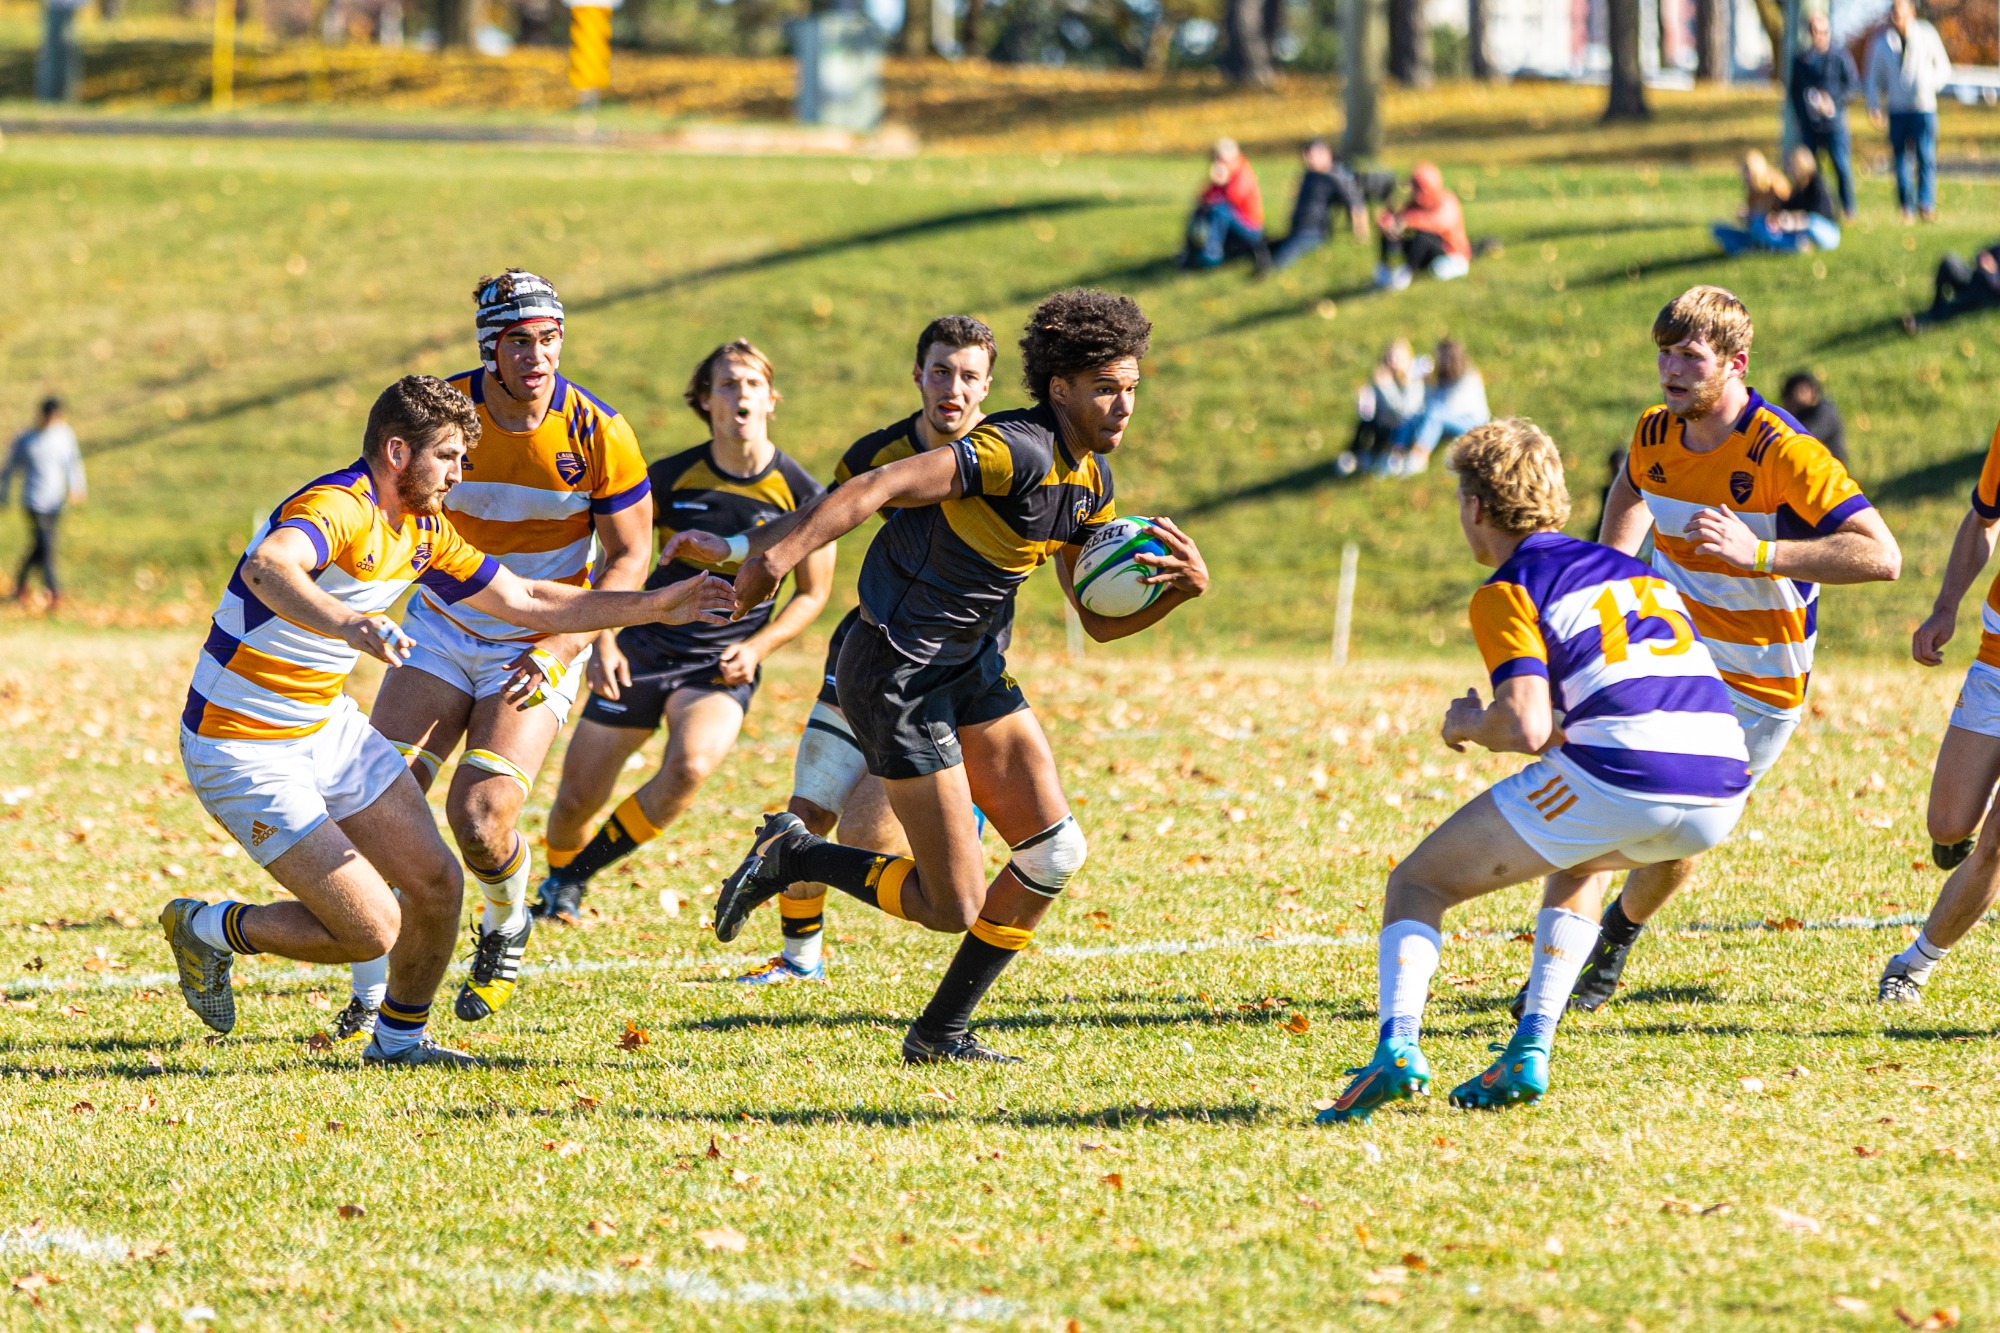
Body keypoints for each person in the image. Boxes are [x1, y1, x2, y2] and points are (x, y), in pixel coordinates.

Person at [159, 375, 732, 1064]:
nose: (461, 475)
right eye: (450, 457)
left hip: (323, 727)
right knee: (372, 928)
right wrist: (351, 624)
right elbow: (268, 568)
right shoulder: (338, 505)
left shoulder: (426, 531)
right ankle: (210, 928)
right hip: (240, 745)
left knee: (437, 883)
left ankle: (398, 1041)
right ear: (397, 452)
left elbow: (528, 601)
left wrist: (658, 605)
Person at [710, 289, 1210, 1065]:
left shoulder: (1091, 483)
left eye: (1132, 388)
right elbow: (870, 488)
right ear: (1061, 389)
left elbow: (1098, 620)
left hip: (972, 665)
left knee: (1053, 853)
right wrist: (774, 555)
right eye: (1106, 387)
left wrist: (1179, 591)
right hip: (897, 674)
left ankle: (938, 1033)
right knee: (952, 905)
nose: (1123, 405)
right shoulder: (1017, 450)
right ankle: (797, 855)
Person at [1319, 418, 1751, 1122]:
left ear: (1474, 508)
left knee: (1417, 882)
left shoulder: (1507, 587)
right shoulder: (1638, 573)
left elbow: (1527, 724)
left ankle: (1396, 1049)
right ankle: (1529, 1048)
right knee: (1580, 852)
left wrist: (1465, 722)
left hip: (1628, 774)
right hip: (1722, 787)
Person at [1515, 286, 1900, 1017]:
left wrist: (1761, 553)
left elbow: (1883, 556)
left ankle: (1617, 935)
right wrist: (1612, 577)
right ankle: (1554, 978)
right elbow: (1632, 485)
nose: (1671, 369)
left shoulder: (1782, 450)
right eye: (1664, 353)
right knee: (1608, 796)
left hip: (1761, 687)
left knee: (1672, 832)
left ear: (1736, 363)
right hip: (1671, 657)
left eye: (1690, 356)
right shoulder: (1655, 433)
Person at [343, 271, 654, 1044]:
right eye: (520, 341)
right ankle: (368, 988)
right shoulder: (447, 414)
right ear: (491, 347)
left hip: (539, 636)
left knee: (479, 819)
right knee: (378, 806)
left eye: (550, 339)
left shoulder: (599, 431)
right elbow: (385, 504)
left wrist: (565, 643)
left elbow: (630, 557)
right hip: (444, 626)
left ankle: (508, 916)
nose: (539, 356)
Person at [733, 315, 998, 986]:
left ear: (987, 386)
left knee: (866, 838)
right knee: (802, 813)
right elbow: (821, 516)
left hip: (945, 679)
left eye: (969, 376)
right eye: (941, 371)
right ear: (918, 375)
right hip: (867, 652)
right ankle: (799, 962)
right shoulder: (880, 453)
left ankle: (966, 808)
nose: (953, 388)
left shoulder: (1008, 460)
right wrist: (738, 550)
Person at [533, 340, 834, 922]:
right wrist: (604, 641)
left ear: (771, 398)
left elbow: (813, 593)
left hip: (720, 663)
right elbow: (615, 562)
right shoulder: (667, 478)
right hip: (641, 648)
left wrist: (757, 644)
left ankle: (572, 879)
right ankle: (558, 874)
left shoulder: (802, 493)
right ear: (704, 400)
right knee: (574, 800)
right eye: (726, 383)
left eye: (751, 383)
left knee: (691, 765)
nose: (740, 393)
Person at [1884, 415, 2000, 1002]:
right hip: (1998, 659)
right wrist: (1945, 605)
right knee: (1949, 825)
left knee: (1996, 844)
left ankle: (1913, 963)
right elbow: (1984, 518)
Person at [1866, 0, 1953, 224]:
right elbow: (1873, 79)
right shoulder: (1882, 43)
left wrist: (1928, 84)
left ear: (1912, 13)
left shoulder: (1927, 34)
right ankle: (1907, 206)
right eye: (1894, 13)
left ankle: (1926, 203)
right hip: (1897, 109)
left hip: (1923, 107)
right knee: (1901, 160)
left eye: (1901, 13)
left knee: (1925, 156)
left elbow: (1943, 68)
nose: (1898, 18)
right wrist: (1874, 105)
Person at [2, 397, 84, 610]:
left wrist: (77, 486)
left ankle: (20, 585)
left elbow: (73, 463)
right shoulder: (27, 439)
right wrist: (3, 493)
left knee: (41, 546)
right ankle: (54, 592)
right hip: (33, 501)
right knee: (46, 546)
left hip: (55, 501)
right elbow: (10, 469)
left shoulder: (65, 436)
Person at [1267, 140, 1391, 271]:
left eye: (1312, 154)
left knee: (1275, 263)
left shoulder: (1336, 176)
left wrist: (1361, 236)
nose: (1307, 159)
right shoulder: (1310, 174)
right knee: (1264, 250)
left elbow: (1356, 205)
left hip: (1311, 232)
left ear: (1327, 154)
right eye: (1306, 154)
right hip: (1297, 229)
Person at [1790, 10, 1862, 218]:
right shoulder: (1802, 60)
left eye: (1823, 31)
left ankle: (1848, 209)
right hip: (1810, 126)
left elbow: (1852, 87)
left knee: (1841, 166)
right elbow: (1794, 93)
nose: (1820, 35)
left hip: (1834, 124)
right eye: (1815, 31)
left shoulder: (1840, 58)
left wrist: (1833, 103)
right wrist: (1802, 116)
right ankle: (1815, 208)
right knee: (1809, 171)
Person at [1386, 338, 1489, 475]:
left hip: (1472, 423)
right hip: (1444, 417)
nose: (1437, 362)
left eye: (1440, 358)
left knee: (1435, 414)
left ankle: (1418, 457)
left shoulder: (1469, 377)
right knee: (1415, 416)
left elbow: (1449, 408)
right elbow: (1429, 404)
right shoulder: (1443, 379)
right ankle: (1396, 453)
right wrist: (1427, 384)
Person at [1710, 148, 1840, 254]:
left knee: (1809, 222)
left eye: (1792, 166)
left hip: (1824, 231)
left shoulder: (1815, 185)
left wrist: (1787, 219)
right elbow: (1785, 212)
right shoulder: (1796, 189)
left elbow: (1816, 215)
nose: (1789, 170)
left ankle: (1775, 246)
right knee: (1721, 228)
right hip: (1795, 231)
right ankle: (1755, 246)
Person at [1373, 162, 1470, 291]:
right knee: (1391, 233)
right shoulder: (1414, 204)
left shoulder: (1447, 201)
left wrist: (1407, 221)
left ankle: (1404, 275)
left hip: (1449, 254)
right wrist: (1390, 218)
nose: (1413, 192)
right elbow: (1389, 220)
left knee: (1423, 236)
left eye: (1417, 188)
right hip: (1426, 255)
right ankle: (1384, 271)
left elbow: (1438, 223)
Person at [1337, 339, 1427, 476]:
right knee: (1365, 422)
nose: (1394, 361)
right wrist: (1364, 400)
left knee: (1399, 425)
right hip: (1384, 423)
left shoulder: (1413, 379)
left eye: (1398, 357)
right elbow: (1372, 407)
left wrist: (1387, 388)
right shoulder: (1382, 376)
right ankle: (1354, 455)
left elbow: (1403, 411)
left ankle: (1385, 456)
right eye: (1391, 357)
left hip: (1403, 427)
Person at [1181, 138, 1267, 271]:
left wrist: (1222, 182)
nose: (1217, 161)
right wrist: (1214, 184)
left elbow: (1233, 198)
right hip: (1232, 219)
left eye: (1220, 158)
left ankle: (1211, 254)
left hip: (1249, 225)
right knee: (1200, 212)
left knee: (1219, 209)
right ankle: (1190, 251)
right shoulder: (1224, 171)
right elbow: (1203, 197)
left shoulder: (1243, 172)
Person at [1905, 239, 2000, 330]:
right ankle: (1937, 304)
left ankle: (1923, 321)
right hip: (1974, 277)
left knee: (1958, 303)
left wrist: (1991, 273)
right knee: (1948, 262)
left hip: (1988, 292)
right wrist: (1983, 258)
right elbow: (1983, 253)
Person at [1779, 371, 1848, 468]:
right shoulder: (1798, 416)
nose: (1795, 399)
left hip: (1829, 474)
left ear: (1812, 391)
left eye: (1802, 391)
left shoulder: (1825, 412)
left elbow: (1806, 436)